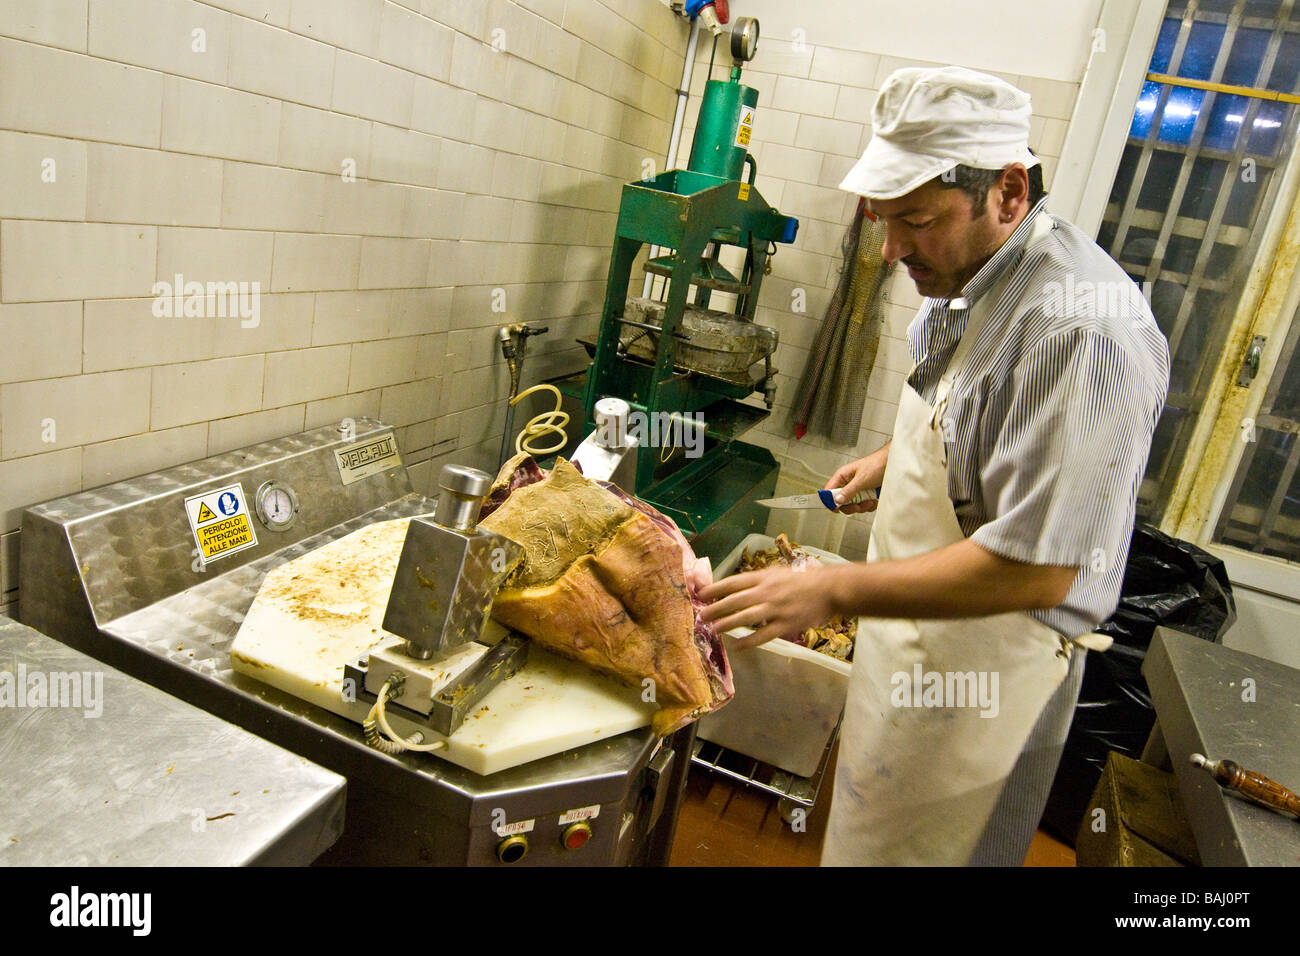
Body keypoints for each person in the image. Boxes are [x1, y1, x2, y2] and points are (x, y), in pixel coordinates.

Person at [699, 66, 1170, 866]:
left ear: (1009, 191)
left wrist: (831, 587)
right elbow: (971, 406)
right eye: (884, 220)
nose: (891, 250)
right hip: (913, 648)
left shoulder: (1084, 331)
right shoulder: (969, 270)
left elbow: (1042, 571)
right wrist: (891, 462)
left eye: (915, 219)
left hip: (989, 678)